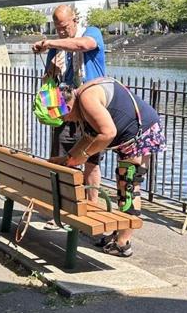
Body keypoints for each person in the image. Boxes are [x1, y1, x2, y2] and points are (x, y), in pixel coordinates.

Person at [36, 78, 165, 258]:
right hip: (131, 135)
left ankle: (123, 243)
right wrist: (69, 158)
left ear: (68, 106)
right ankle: (119, 234)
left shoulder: (87, 99)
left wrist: (84, 155)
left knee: (128, 186)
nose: (66, 121)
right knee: (123, 184)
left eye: (63, 117)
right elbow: (90, 136)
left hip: (141, 133)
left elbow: (108, 133)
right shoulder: (81, 103)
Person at [31, 5, 107, 206]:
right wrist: (51, 72)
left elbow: (83, 45)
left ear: (75, 19)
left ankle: (91, 205)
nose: (62, 31)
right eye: (57, 28)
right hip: (65, 110)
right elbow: (46, 85)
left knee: (91, 160)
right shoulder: (56, 48)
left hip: (90, 109)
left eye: (64, 26)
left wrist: (50, 42)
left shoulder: (92, 32)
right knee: (62, 159)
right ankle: (64, 204)